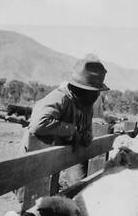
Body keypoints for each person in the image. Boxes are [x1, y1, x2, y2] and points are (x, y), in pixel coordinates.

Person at [23, 55, 109, 185]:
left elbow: (86, 135)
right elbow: (38, 124)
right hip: (39, 158)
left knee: (78, 189)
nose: (95, 95)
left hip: (66, 155)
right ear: (79, 88)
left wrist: (85, 136)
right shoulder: (60, 97)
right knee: (38, 199)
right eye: (91, 91)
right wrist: (71, 130)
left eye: (96, 91)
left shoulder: (87, 104)